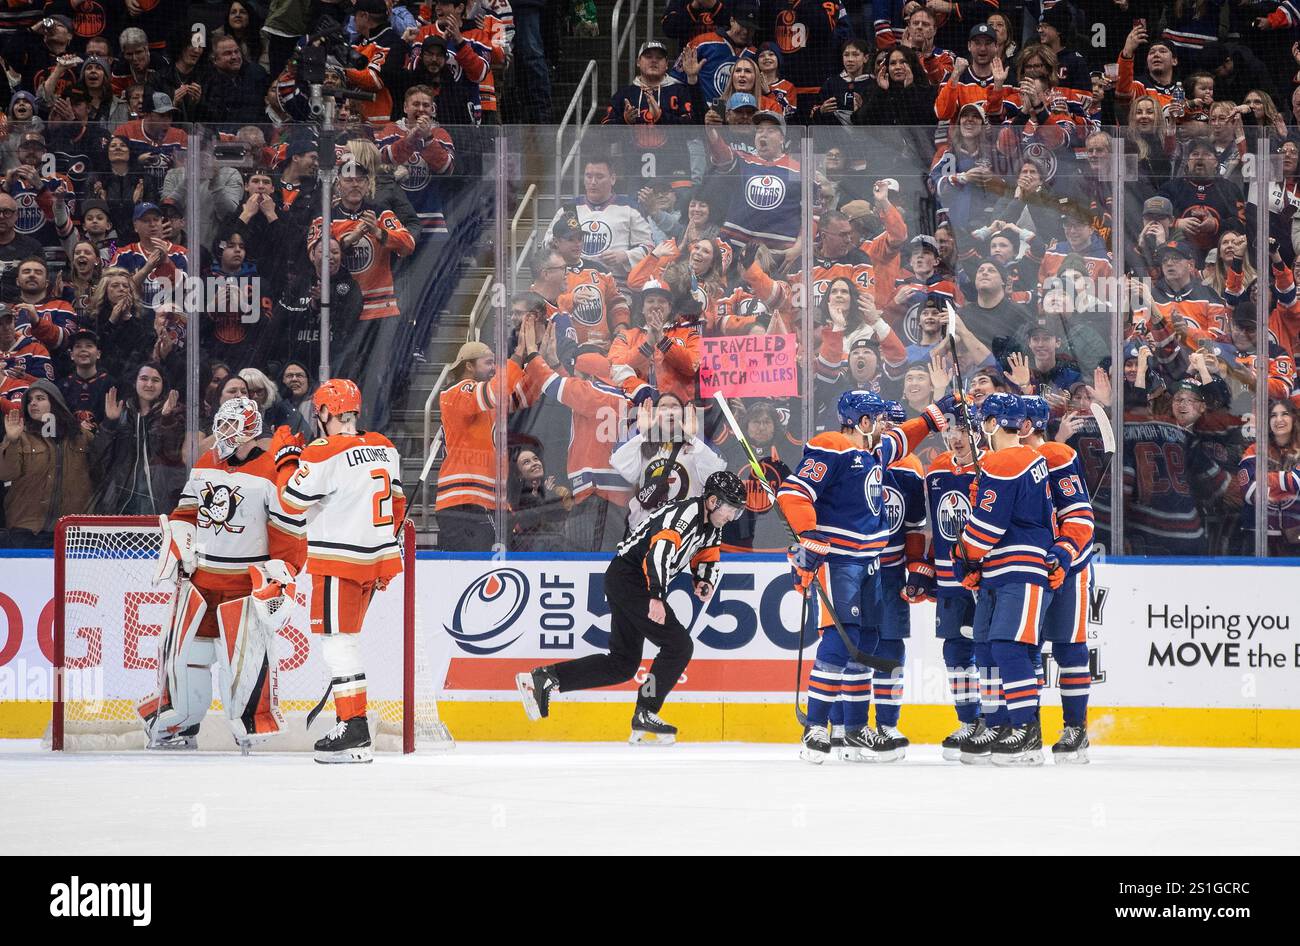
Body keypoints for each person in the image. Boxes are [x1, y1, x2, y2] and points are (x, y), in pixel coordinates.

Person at [516, 471, 747, 744]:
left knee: (622, 664)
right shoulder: (685, 515)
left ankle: (545, 678)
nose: (732, 516)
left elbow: (707, 554)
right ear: (712, 501)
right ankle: (646, 711)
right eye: (731, 508)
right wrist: (657, 596)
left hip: (625, 579)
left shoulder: (712, 525)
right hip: (631, 579)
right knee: (678, 645)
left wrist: (704, 579)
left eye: (737, 510)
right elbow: (658, 553)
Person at [779, 389, 947, 763]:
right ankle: (817, 728)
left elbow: (901, 441)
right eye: (880, 420)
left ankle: (854, 731)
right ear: (864, 422)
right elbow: (794, 492)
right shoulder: (832, 445)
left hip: (869, 562)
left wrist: (933, 418)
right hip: (840, 562)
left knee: (866, 644)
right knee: (842, 642)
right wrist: (808, 535)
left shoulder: (873, 452)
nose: (887, 427)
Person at [138, 396, 306, 749]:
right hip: (200, 584)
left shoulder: (270, 471)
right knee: (183, 657)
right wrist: (179, 543)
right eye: (222, 423)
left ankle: (250, 724)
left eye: (231, 425)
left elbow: (288, 532)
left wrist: (283, 573)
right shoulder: (205, 462)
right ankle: (178, 722)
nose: (223, 432)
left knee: (243, 665)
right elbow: (186, 512)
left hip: (243, 586)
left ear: (249, 429)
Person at [279, 379, 406, 763]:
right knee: (345, 641)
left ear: (322, 413)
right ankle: (352, 727)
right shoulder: (384, 447)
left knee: (339, 644)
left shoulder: (322, 450)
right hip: (375, 559)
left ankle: (354, 728)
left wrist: (286, 457)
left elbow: (290, 501)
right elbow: (397, 506)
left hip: (338, 561)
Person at [953, 392, 1057, 765]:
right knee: (986, 647)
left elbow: (986, 527)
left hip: (1019, 566)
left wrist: (962, 556)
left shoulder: (1005, 460)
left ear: (994, 422)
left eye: (985, 419)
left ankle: (1025, 729)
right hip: (1000, 568)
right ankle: (998, 724)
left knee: (1008, 646)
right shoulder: (1029, 459)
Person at [1020, 395, 1096, 763]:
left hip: (1069, 568)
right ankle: (1028, 726)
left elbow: (1080, 518)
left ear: (1026, 425)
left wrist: (1063, 554)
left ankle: (1075, 729)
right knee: (1026, 649)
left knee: (1068, 647)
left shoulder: (1055, 455)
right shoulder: (1006, 461)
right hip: (1029, 569)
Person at [920, 413, 982, 758]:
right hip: (949, 579)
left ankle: (993, 720)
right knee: (955, 652)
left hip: (984, 578)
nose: (957, 438)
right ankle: (969, 720)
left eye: (964, 431)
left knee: (989, 650)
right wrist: (926, 566)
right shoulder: (938, 471)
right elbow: (931, 524)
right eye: (951, 431)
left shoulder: (992, 468)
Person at [435, 340, 525, 551]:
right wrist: (518, 356)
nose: (494, 368)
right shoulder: (458, 391)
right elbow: (496, 391)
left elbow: (523, 396)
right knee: (464, 573)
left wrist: (536, 360)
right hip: (462, 500)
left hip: (482, 500)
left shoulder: (486, 401)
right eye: (488, 363)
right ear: (469, 365)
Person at [0, 380, 94, 548]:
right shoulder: (20, 436)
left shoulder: (82, 436)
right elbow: (5, 474)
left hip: (72, 530)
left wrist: (110, 424)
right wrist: (12, 442)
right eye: (29, 400)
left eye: (40, 398)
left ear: (55, 402)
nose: (33, 403)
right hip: (26, 529)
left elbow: (101, 470)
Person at [90, 362, 186, 516]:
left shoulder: (175, 412)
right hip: (121, 498)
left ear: (163, 385)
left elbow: (172, 455)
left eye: (155, 380)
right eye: (144, 378)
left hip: (159, 498)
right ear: (135, 382)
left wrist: (167, 419)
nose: (149, 384)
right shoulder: (122, 413)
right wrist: (109, 423)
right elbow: (97, 459)